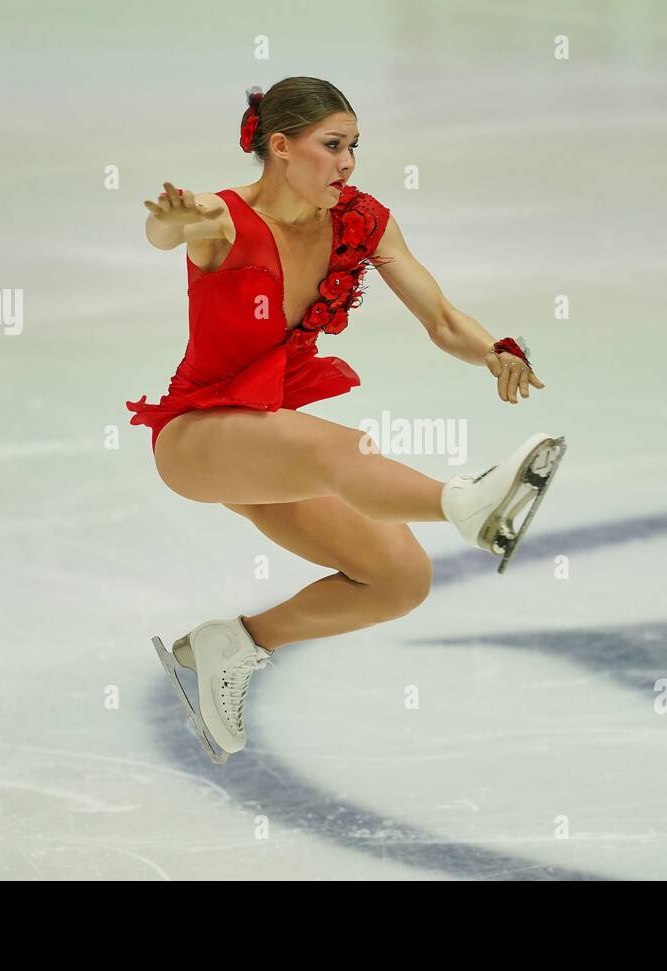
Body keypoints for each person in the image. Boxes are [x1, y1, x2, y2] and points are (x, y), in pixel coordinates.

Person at [128, 77, 566, 764]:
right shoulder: (224, 218)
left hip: (268, 444)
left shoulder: (361, 220)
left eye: (353, 146)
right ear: (280, 147)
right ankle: (464, 501)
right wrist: (170, 218)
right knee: (343, 449)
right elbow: (172, 229)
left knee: (399, 578)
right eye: (332, 146)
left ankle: (237, 644)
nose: (347, 162)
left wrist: (494, 350)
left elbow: (443, 318)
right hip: (196, 437)